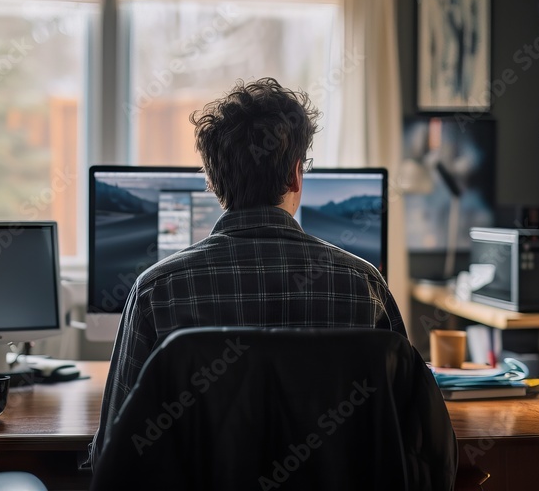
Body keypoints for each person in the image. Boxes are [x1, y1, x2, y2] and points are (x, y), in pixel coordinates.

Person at [89, 78, 455, 478]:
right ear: (297, 176)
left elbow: (113, 452)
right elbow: (417, 440)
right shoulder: (365, 286)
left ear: (213, 183)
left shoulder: (156, 290)